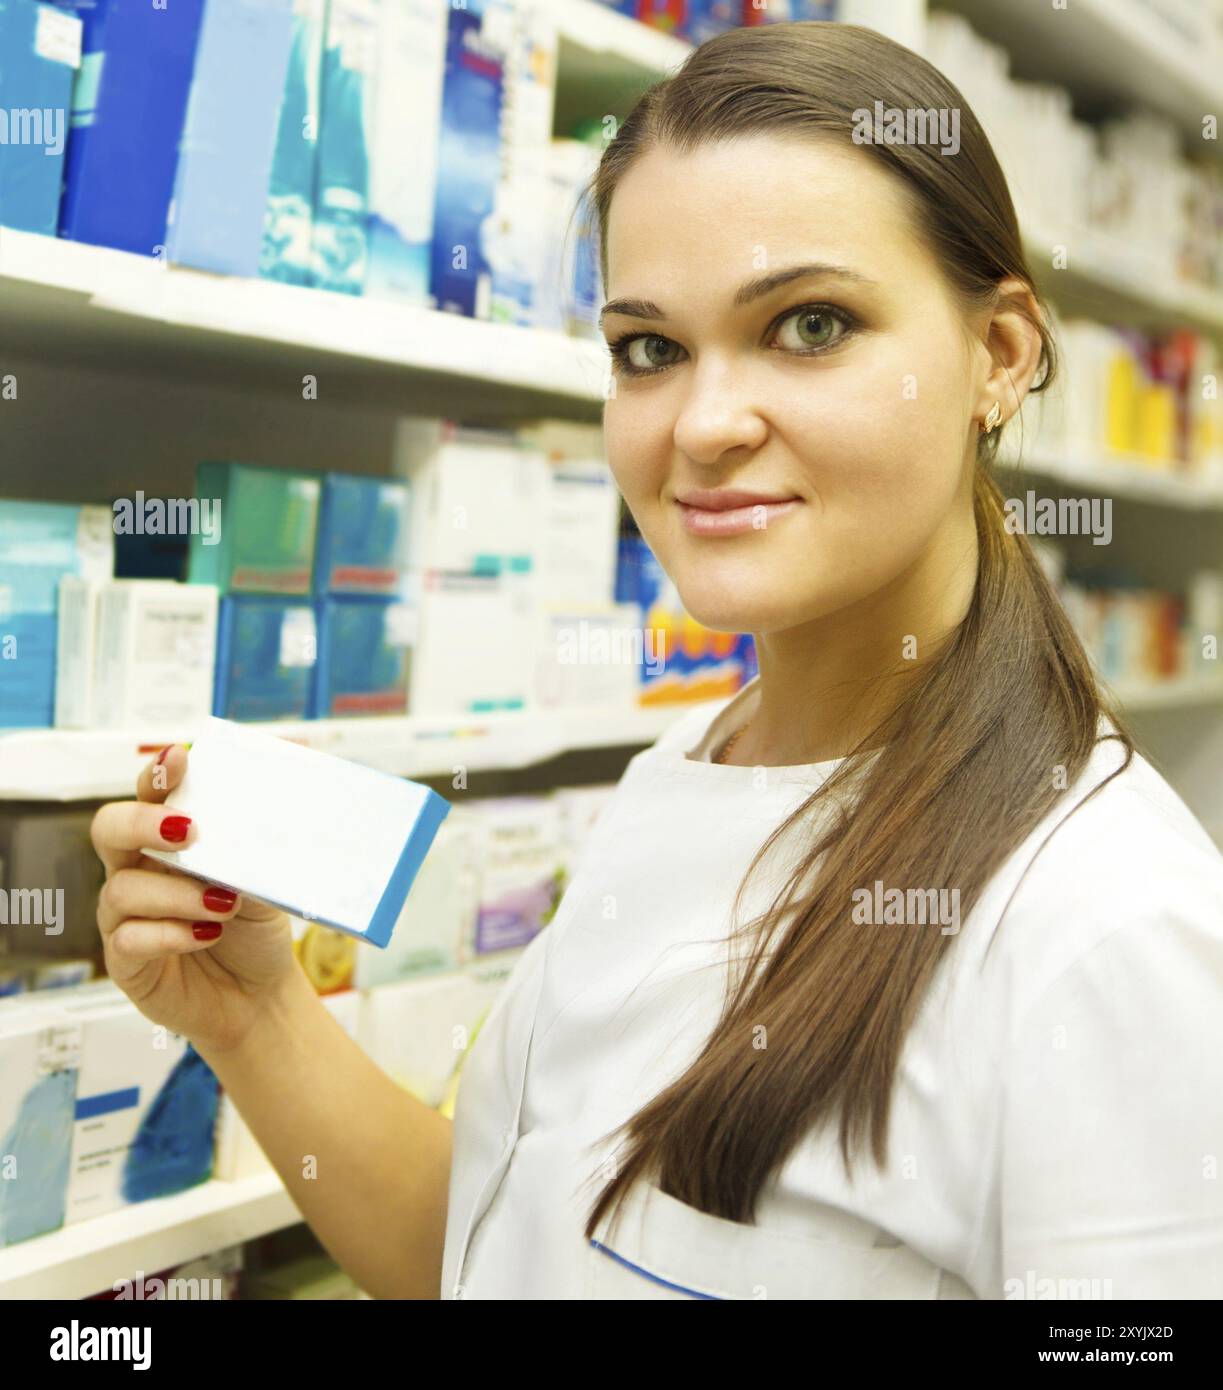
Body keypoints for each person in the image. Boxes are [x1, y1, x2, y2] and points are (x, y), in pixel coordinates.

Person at [90, 22, 1223, 1300]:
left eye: (809, 324)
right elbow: (491, 1258)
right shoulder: (683, 770)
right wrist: (256, 1018)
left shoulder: (1103, 927)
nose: (702, 424)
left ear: (998, 356)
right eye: (649, 347)